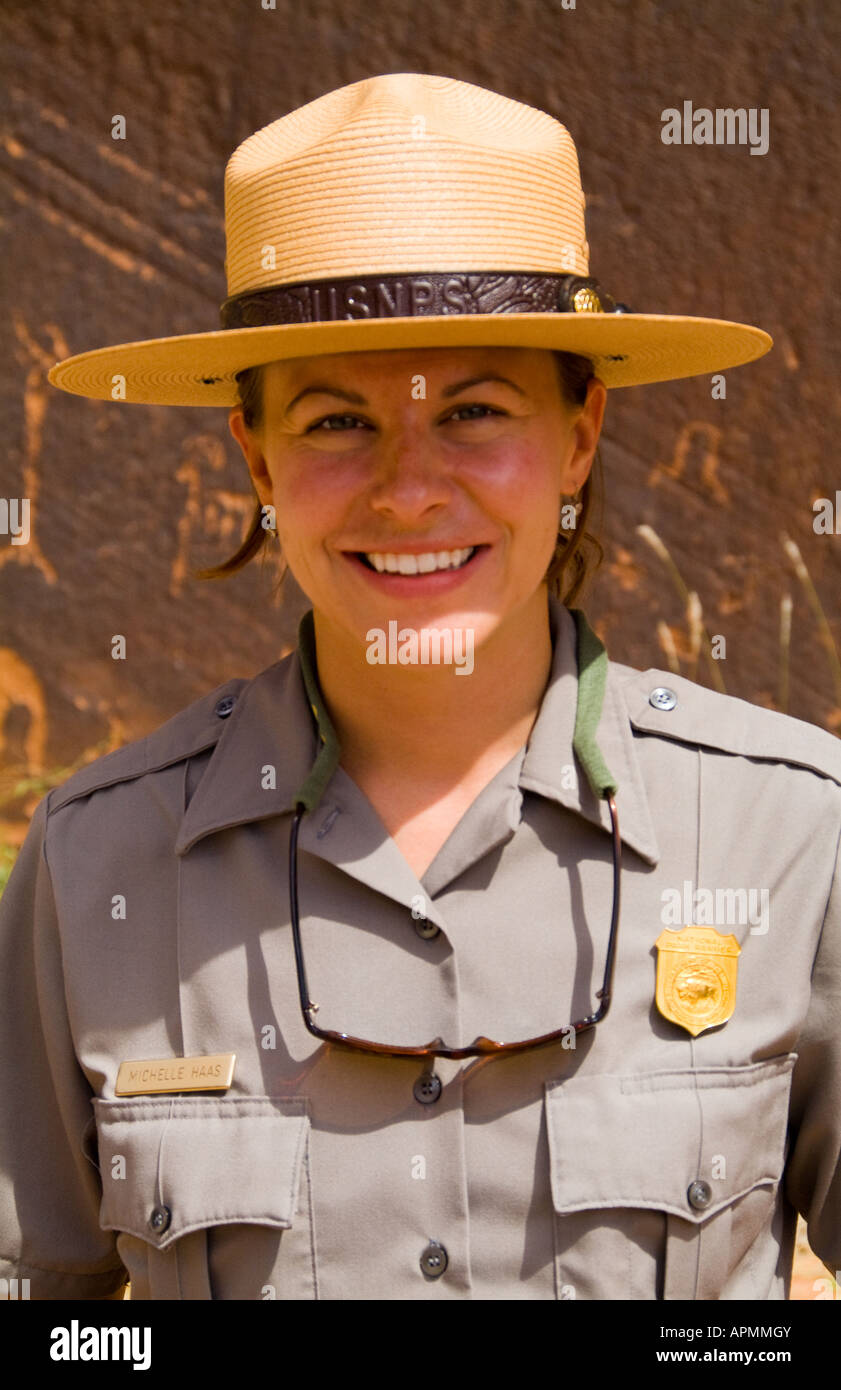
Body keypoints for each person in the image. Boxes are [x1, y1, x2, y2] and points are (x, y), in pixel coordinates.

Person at [1, 72, 839, 1302]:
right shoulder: (97, 868)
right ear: (256, 455)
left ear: (581, 434)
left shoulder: (791, 835)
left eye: (475, 410)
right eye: (336, 421)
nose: (409, 488)